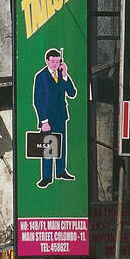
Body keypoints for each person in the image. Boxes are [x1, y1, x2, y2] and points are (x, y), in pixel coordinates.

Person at [33, 47, 77, 185]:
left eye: (58, 61)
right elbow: (37, 100)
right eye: (52, 61)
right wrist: (44, 120)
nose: (55, 64)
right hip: (47, 118)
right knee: (47, 147)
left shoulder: (62, 75)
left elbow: (72, 93)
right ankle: (46, 177)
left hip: (61, 116)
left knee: (61, 145)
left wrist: (65, 75)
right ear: (47, 61)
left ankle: (61, 171)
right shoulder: (40, 76)